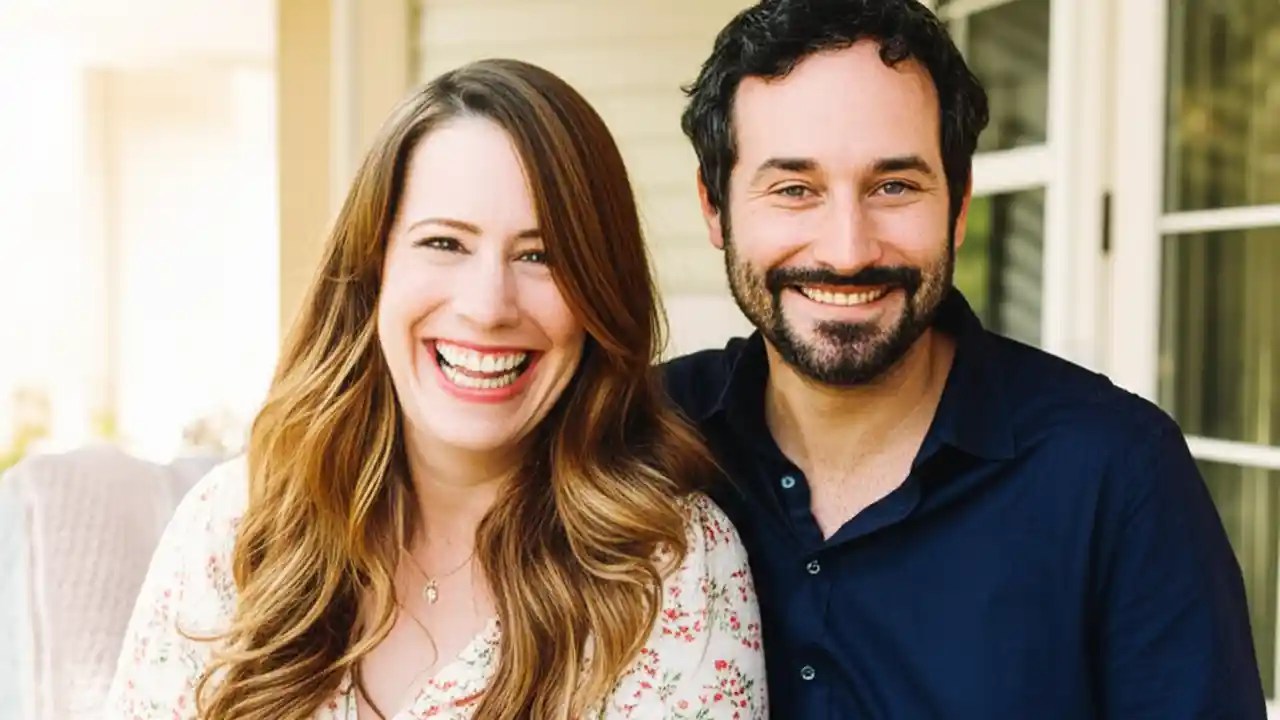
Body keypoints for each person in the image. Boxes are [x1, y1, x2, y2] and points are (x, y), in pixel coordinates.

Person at [105, 58, 766, 720]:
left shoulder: (673, 568)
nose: (487, 306)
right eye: (445, 243)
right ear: (373, 269)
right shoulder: (238, 523)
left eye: (540, 256)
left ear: (598, 291)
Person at [664, 1, 1266, 717]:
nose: (848, 250)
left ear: (958, 206)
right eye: (795, 190)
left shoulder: (1117, 472)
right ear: (714, 206)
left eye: (895, 187)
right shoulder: (637, 434)